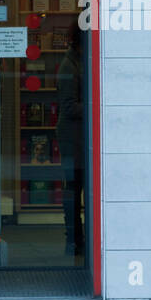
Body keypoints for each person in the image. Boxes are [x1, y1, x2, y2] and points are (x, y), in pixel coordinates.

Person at [56, 25, 84, 256]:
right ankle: (72, 240)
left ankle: (77, 240)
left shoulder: (76, 62)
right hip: (72, 138)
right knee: (73, 189)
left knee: (76, 188)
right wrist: (95, 105)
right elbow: (68, 107)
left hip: (78, 137)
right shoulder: (70, 65)